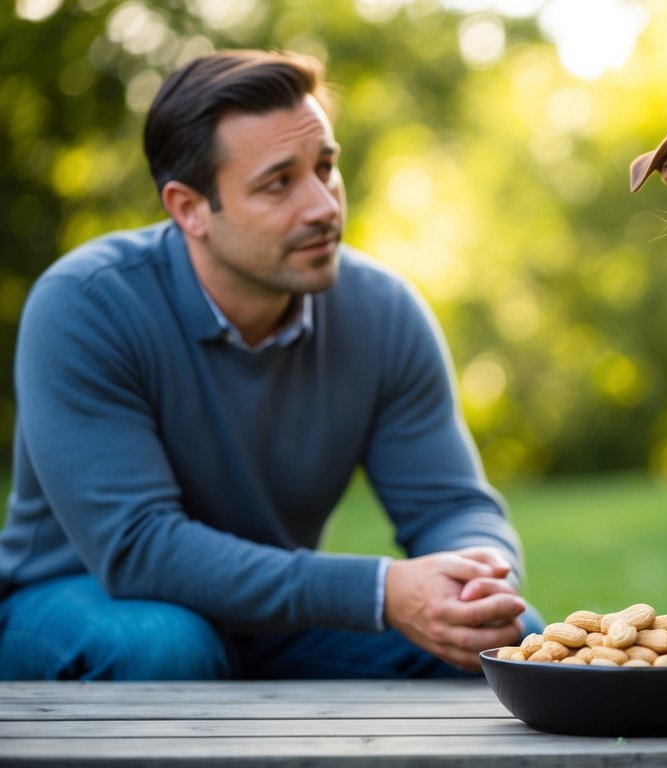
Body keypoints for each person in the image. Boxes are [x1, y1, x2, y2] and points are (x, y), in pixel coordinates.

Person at [0, 49, 541, 680]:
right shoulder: (87, 304)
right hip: (75, 603)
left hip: (268, 616)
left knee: (504, 639)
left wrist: (477, 580)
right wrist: (381, 590)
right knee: (165, 645)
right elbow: (138, 547)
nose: (323, 206)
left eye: (326, 167)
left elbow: (449, 504)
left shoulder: (382, 311)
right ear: (189, 209)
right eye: (278, 183)